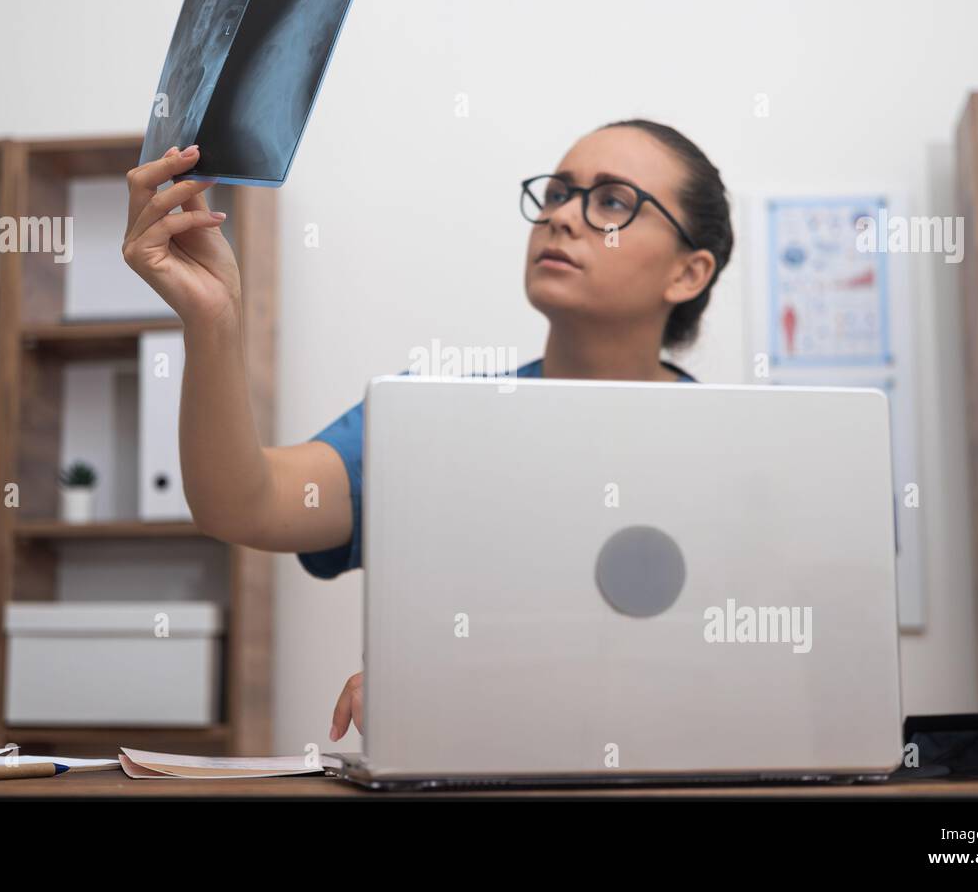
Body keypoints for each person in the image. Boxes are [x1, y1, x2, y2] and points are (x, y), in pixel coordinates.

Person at [121, 118, 734, 743]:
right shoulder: (432, 422)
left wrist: (464, 675)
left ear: (688, 273)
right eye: (556, 193)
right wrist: (212, 317)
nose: (562, 217)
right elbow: (243, 504)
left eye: (611, 202)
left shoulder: (740, 460)